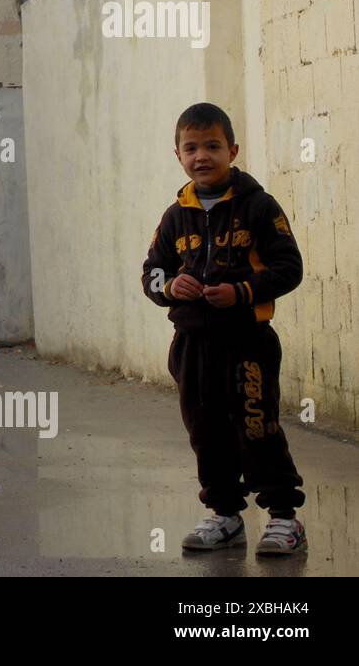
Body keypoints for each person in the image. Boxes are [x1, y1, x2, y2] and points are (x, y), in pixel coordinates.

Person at [142, 102, 307, 556]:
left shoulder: (259, 206)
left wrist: (243, 293)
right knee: (205, 429)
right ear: (178, 155)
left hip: (247, 342)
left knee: (257, 425)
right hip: (193, 345)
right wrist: (172, 286)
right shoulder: (175, 215)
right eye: (191, 147)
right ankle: (224, 515)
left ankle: (283, 518)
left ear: (232, 150)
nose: (202, 156)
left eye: (212, 146)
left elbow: (289, 268)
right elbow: (151, 274)